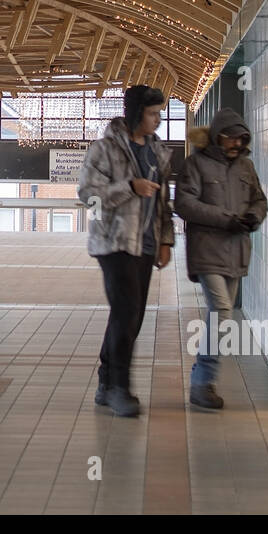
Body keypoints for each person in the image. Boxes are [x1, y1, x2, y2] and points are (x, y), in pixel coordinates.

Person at [77, 85, 174, 417]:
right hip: (113, 242)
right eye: (151, 113)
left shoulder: (158, 152)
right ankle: (120, 388)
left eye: (159, 113)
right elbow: (88, 194)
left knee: (132, 314)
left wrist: (165, 241)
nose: (157, 120)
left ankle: (106, 383)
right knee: (127, 311)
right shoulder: (104, 149)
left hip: (145, 243)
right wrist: (129, 187)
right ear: (135, 114)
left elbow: (164, 201)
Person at [174, 107, 267, 410]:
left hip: (237, 252)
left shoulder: (246, 167)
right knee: (223, 311)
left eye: (242, 139)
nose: (237, 144)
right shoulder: (195, 164)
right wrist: (225, 219)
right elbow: (185, 203)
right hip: (207, 251)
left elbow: (259, 200)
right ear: (217, 137)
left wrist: (254, 216)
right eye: (231, 138)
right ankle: (204, 382)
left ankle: (201, 379)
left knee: (222, 321)